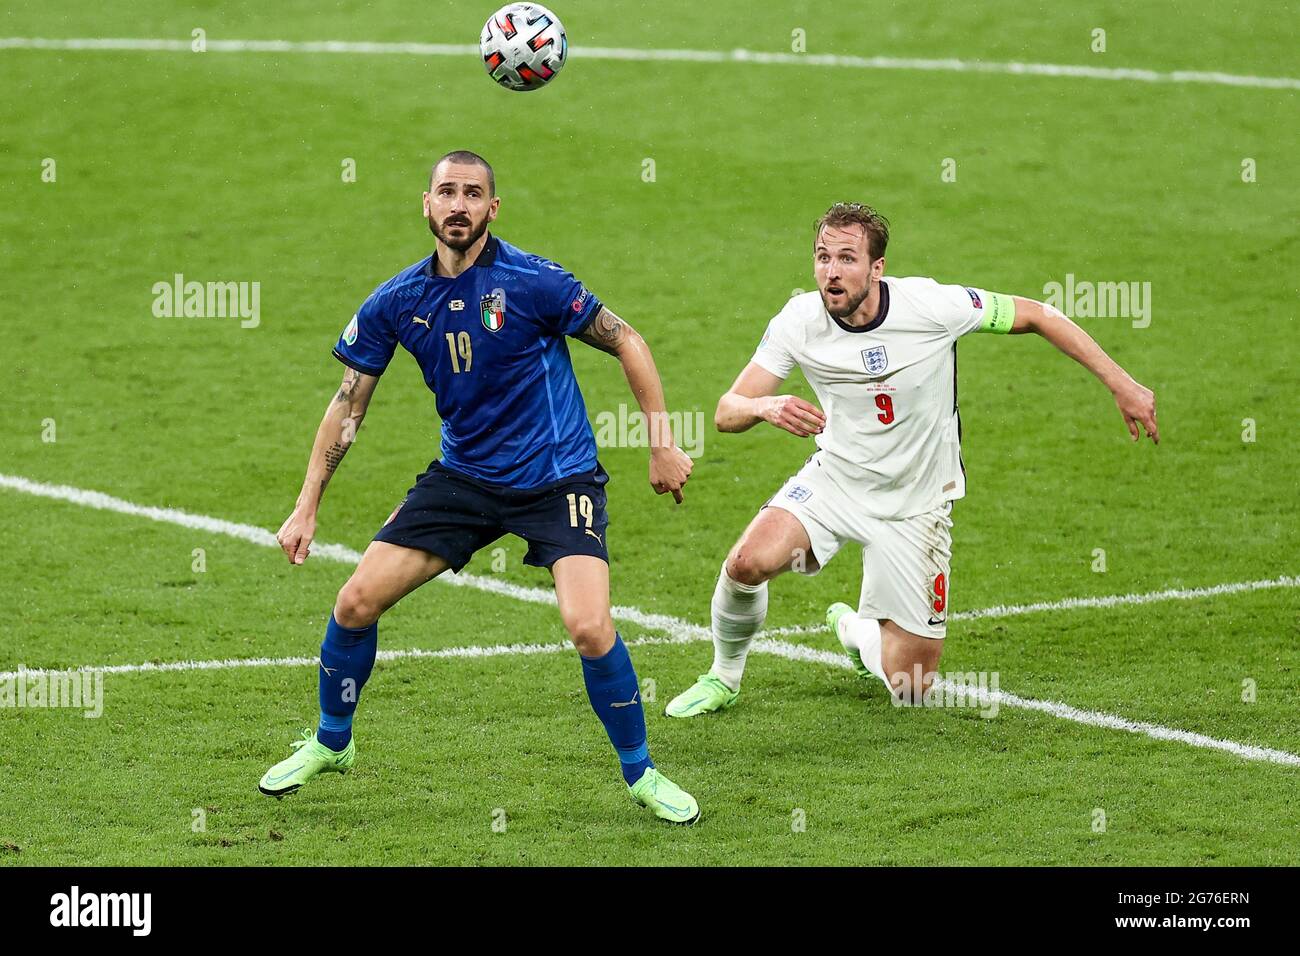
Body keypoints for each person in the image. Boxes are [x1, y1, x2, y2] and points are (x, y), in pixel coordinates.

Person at [260, 150, 700, 824]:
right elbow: (349, 404)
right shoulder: (398, 300)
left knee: (587, 625)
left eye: (473, 193)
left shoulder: (535, 282)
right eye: (447, 192)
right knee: (354, 602)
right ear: (427, 205)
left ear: (493, 208)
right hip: (464, 479)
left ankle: (641, 773)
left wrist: (661, 441)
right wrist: (306, 504)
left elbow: (627, 340)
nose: (458, 205)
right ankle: (331, 742)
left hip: (559, 479)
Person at [666, 201, 1158, 715]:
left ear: (877, 268)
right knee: (748, 563)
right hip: (836, 483)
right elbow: (727, 411)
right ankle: (723, 675)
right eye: (822, 257)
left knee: (910, 688)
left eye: (847, 259)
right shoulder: (799, 321)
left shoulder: (930, 306)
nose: (831, 272)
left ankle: (855, 630)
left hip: (917, 505)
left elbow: (1035, 313)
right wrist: (766, 405)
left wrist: (1121, 383)